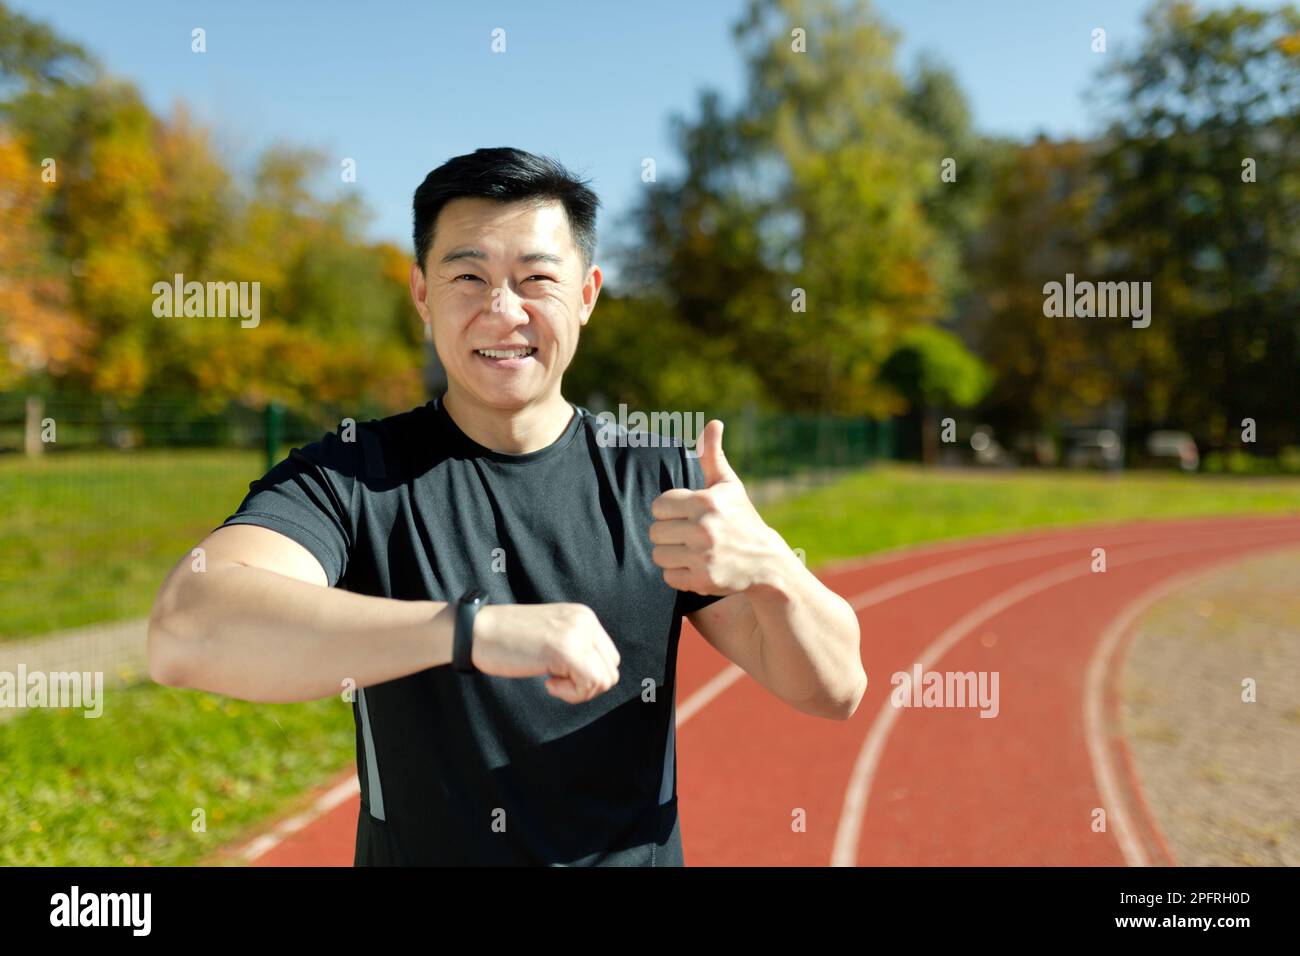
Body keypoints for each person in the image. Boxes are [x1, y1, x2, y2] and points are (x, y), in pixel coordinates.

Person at [147, 146, 866, 866]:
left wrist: (773, 566)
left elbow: (835, 690)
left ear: (585, 295)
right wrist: (473, 633)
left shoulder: (663, 482)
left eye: (535, 279)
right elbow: (186, 630)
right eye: (468, 276)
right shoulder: (352, 476)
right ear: (422, 295)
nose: (502, 311)